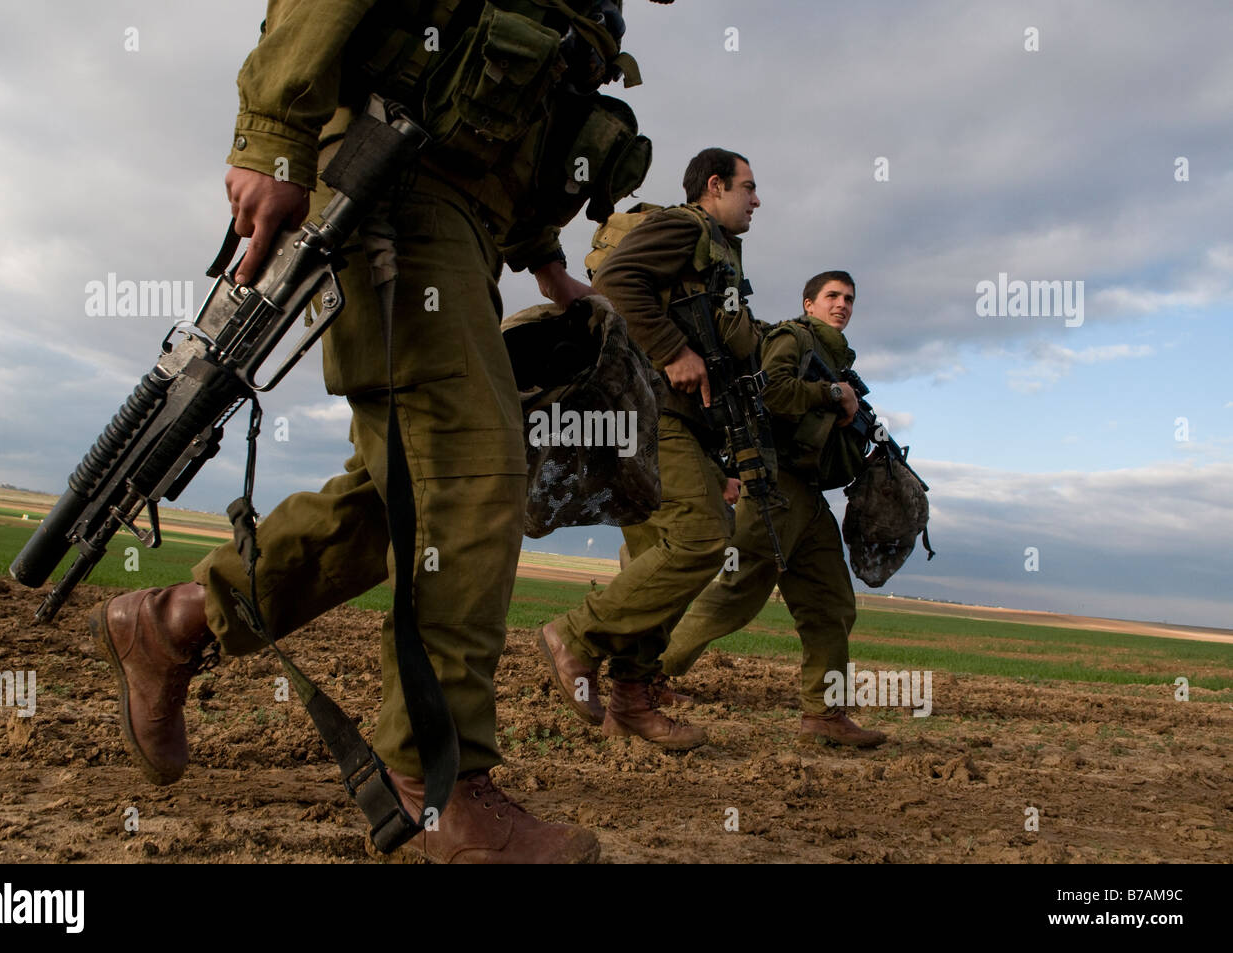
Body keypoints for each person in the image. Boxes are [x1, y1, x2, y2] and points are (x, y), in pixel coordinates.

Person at [89, 0, 670, 865]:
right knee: (471, 476)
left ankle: (173, 622)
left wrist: (544, 251)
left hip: (469, 221)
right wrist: (274, 135)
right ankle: (440, 782)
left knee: (411, 493)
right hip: (391, 180)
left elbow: (532, 100)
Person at [538, 147, 763, 750]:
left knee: (652, 561)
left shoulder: (721, 256)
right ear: (714, 186)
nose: (757, 200)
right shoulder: (686, 226)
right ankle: (575, 635)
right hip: (657, 413)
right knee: (702, 539)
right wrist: (670, 349)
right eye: (748, 187)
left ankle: (632, 700)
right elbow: (615, 281)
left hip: (681, 421)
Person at [660, 271, 888, 747]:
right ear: (809, 303)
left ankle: (823, 715)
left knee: (831, 605)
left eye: (849, 298)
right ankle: (640, 676)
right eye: (832, 296)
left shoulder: (839, 361)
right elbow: (771, 392)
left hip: (809, 497)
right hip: (773, 488)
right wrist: (830, 394)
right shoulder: (793, 338)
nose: (841, 304)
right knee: (734, 596)